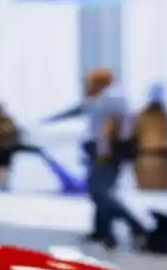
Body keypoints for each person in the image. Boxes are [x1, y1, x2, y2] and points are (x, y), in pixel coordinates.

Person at [54, 68, 150, 249]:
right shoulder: (97, 99)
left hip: (107, 152)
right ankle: (103, 232)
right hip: (96, 150)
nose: (86, 86)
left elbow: (127, 123)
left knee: (100, 193)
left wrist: (115, 146)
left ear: (99, 82)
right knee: (98, 191)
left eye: (89, 82)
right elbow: (77, 110)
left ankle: (136, 225)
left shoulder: (113, 98)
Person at [133, 84, 167, 191]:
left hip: (159, 158)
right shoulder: (143, 115)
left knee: (161, 196)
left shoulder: (164, 115)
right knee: (148, 196)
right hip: (147, 157)